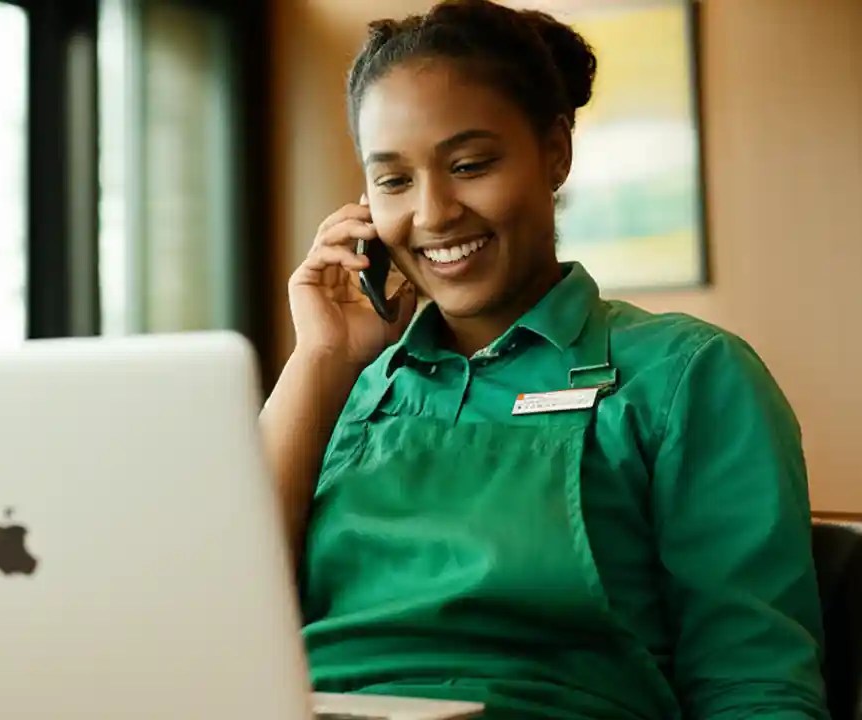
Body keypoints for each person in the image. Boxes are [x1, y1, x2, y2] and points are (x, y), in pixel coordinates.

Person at [258, 1, 828, 718]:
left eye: (469, 164)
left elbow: (757, 687)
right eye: (394, 180)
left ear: (554, 152)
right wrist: (320, 359)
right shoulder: (344, 390)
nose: (432, 213)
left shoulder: (686, 376)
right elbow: (217, 620)